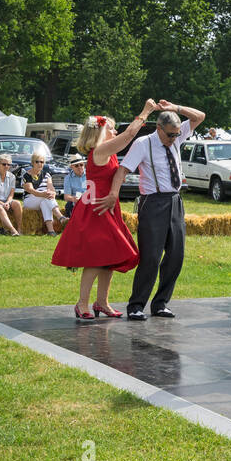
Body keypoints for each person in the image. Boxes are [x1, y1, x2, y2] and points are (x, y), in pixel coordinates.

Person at [103, 100, 206, 320]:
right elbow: (122, 170)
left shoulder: (176, 137)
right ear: (159, 128)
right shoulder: (143, 144)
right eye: (169, 135)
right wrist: (113, 195)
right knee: (150, 257)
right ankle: (136, 305)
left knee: (176, 256)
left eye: (177, 135)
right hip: (152, 202)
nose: (173, 139)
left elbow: (199, 116)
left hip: (175, 201)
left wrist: (175, 108)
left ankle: (160, 303)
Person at [53, 107, 153, 319]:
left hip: (106, 207)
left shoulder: (106, 152)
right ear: (100, 133)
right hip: (97, 209)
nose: (115, 132)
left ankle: (101, 302)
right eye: (111, 128)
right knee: (96, 259)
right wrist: (145, 112)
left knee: (110, 257)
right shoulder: (100, 151)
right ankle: (82, 304)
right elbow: (129, 135)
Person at [21, 151, 67, 235]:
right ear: (32, 163)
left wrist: (53, 193)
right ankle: (60, 216)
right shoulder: (26, 175)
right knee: (46, 198)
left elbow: (51, 188)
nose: (40, 164)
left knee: (45, 201)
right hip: (30, 200)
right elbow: (31, 191)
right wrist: (44, 194)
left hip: (43, 198)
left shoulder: (47, 175)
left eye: (42, 162)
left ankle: (51, 231)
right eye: (37, 161)